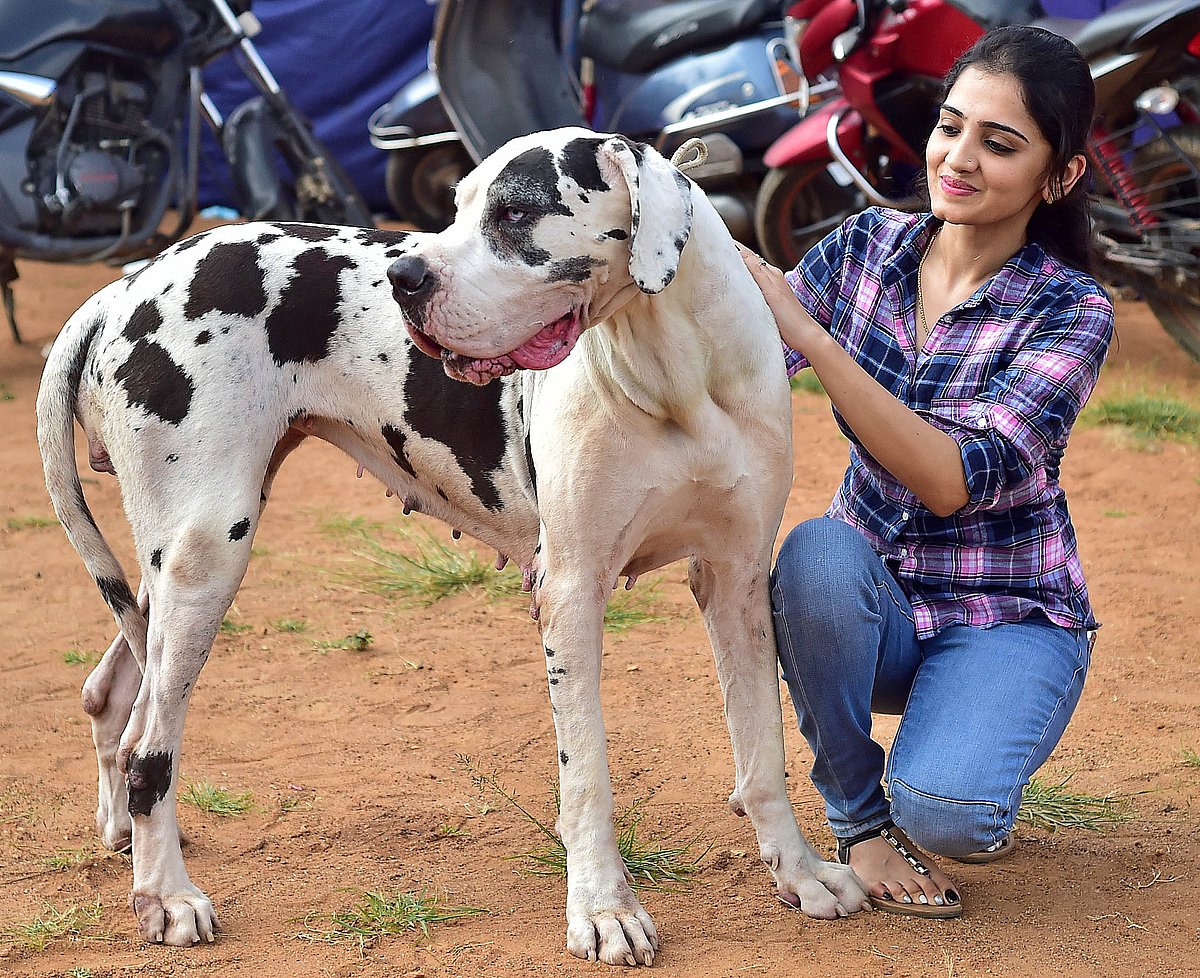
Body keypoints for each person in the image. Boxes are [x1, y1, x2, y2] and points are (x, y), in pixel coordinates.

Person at [738, 25, 1114, 919]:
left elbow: (953, 478)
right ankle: (860, 824)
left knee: (951, 816)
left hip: (1009, 617)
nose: (960, 158)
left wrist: (814, 339)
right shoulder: (868, 246)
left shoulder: (1073, 311)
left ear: (1058, 177)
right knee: (818, 552)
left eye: (1000, 143)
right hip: (871, 611)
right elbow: (735, 364)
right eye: (951, 127)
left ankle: (951, 768)